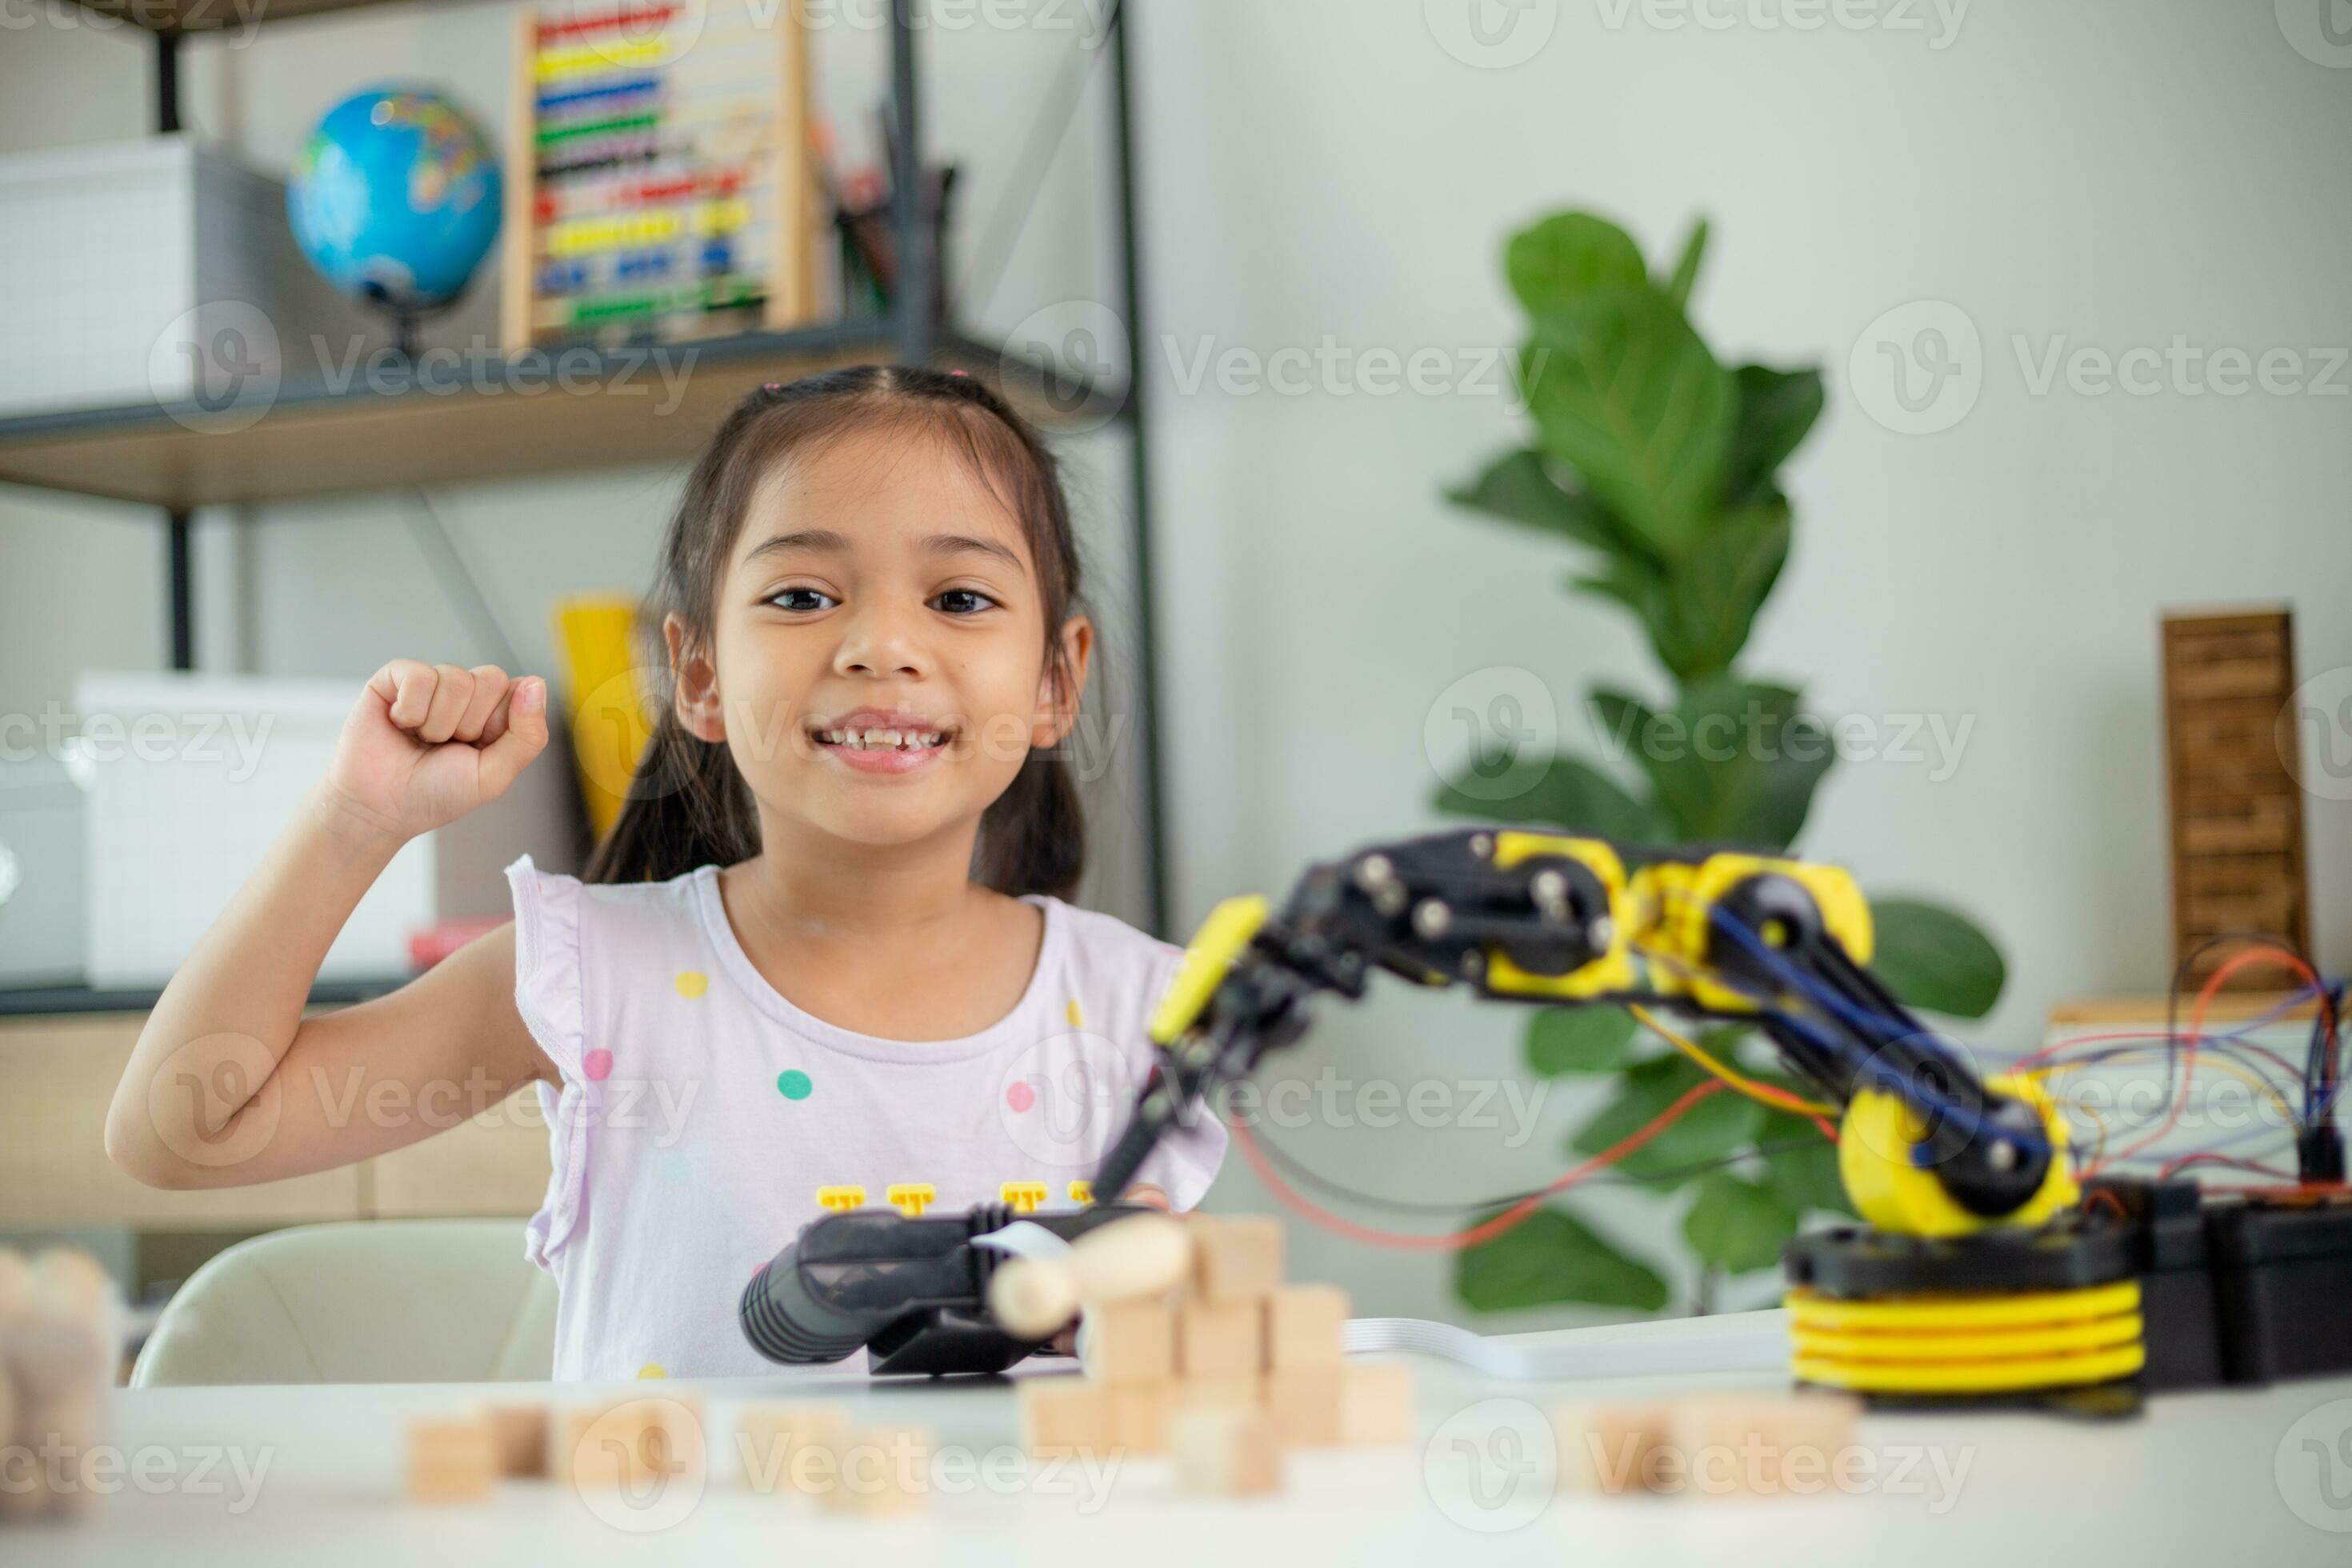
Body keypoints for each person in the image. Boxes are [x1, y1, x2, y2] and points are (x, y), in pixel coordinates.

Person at [106, 366, 1225, 1378]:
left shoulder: (1144, 1010)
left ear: (1054, 681)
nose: (882, 644)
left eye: (960, 599)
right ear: (694, 675)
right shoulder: (595, 975)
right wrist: (354, 820)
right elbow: (184, 1128)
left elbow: (1184, 1364)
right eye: (800, 596)